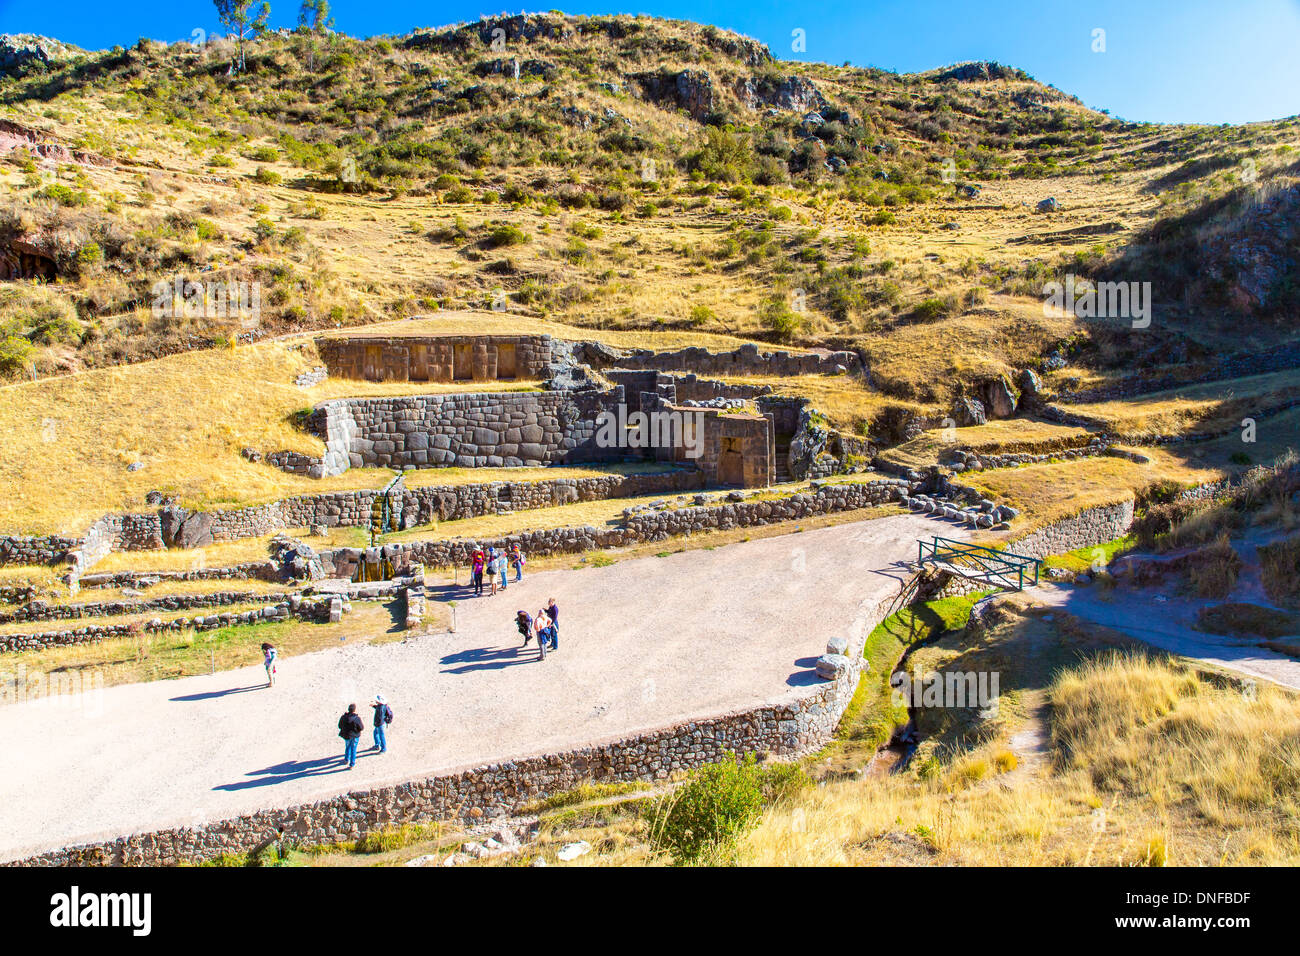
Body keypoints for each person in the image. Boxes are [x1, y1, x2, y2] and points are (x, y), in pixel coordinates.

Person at [338, 704, 364, 769]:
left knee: (347, 747)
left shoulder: (343, 717)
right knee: (353, 749)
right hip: (355, 736)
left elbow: (339, 726)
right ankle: (352, 764)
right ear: (354, 710)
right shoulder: (357, 718)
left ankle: (346, 759)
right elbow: (361, 727)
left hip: (346, 735)